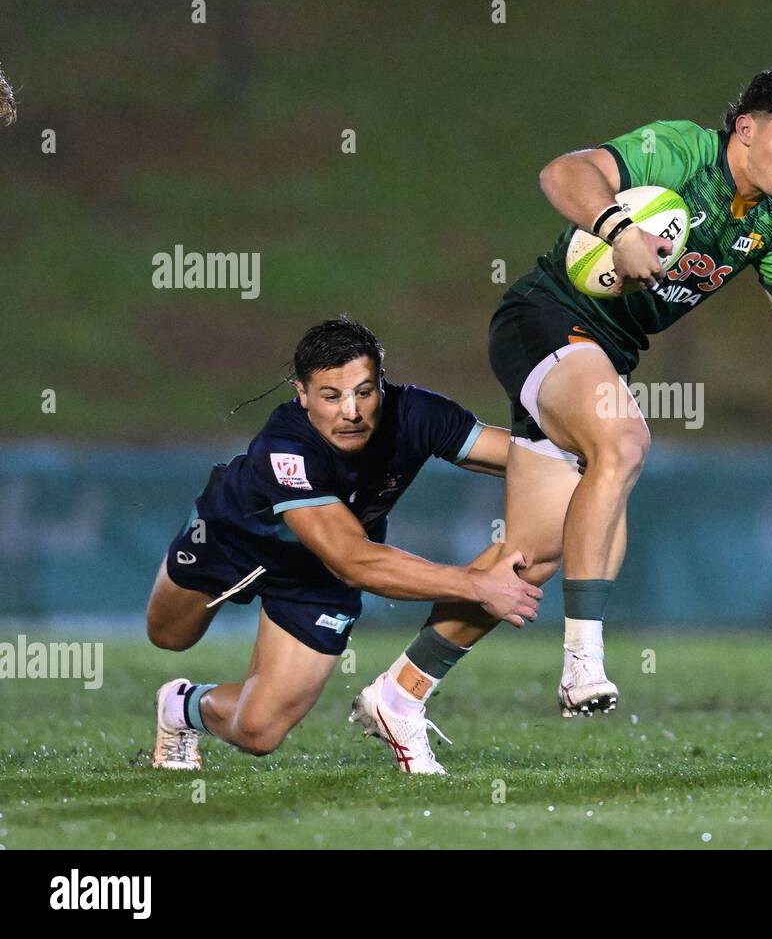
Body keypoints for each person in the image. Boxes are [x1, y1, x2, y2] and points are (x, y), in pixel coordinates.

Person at [369, 64, 772, 757]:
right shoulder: (683, 149)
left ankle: (399, 690)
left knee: (534, 555)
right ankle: (581, 663)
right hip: (545, 321)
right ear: (745, 130)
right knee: (624, 439)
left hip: (605, 353)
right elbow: (561, 173)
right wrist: (616, 225)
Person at [147, 316, 541, 773]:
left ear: (382, 384)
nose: (351, 411)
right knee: (169, 635)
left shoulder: (416, 414)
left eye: (365, 391)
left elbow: (525, 459)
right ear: (302, 394)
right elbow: (354, 560)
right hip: (235, 541)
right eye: (331, 396)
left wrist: (590, 453)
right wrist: (476, 585)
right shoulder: (285, 447)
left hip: (316, 574)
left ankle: (181, 706)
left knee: (260, 732)